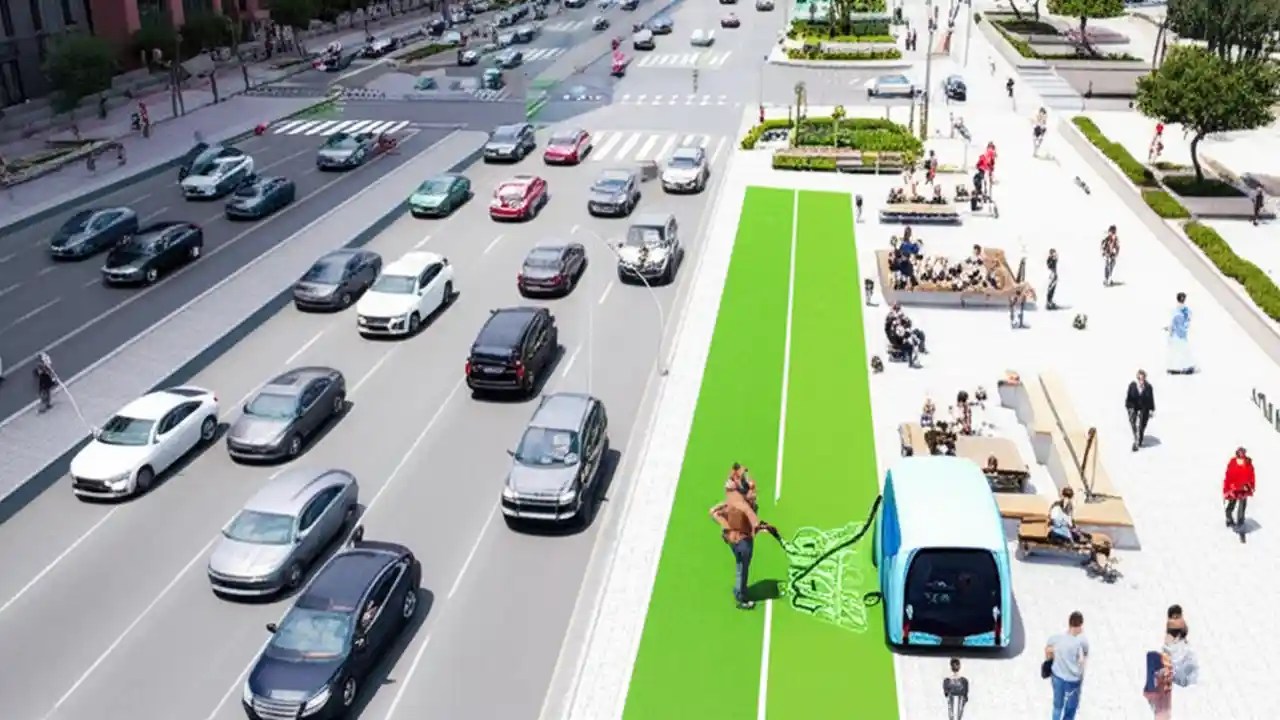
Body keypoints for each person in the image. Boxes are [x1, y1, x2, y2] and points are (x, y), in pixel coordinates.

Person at [709, 487, 764, 610]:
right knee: (742, 568)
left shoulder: (733, 507)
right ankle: (741, 597)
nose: (755, 494)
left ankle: (740, 590)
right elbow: (754, 524)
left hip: (734, 541)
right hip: (743, 542)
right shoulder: (747, 509)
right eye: (752, 492)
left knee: (741, 567)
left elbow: (713, 512)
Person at [1045, 611, 1089, 720]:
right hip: (1073, 680)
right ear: (1080, 626)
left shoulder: (1056, 639)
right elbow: (1083, 659)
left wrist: (1051, 659)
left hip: (1057, 676)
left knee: (1057, 706)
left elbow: (1048, 649)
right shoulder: (1081, 642)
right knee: (1071, 709)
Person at [1223, 446, 1255, 532]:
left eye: (1243, 452)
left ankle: (1240, 522)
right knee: (1231, 504)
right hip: (1233, 488)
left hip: (1244, 488)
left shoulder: (1248, 462)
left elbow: (1251, 475)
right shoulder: (1233, 462)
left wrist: (1251, 486)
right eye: (1239, 452)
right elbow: (1228, 475)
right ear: (1237, 452)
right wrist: (1226, 488)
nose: (1241, 454)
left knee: (1242, 505)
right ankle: (1229, 519)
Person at [1125, 370, 1155, 451]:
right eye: (1139, 379)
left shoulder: (1148, 387)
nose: (1141, 381)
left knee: (1142, 425)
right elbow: (1128, 398)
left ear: (1145, 378)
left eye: (1143, 379)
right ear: (1137, 378)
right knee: (1133, 422)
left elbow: (1151, 399)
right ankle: (1136, 439)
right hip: (1133, 407)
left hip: (1144, 408)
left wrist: (1152, 410)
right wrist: (1129, 407)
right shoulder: (1132, 386)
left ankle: (1139, 440)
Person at [1165, 292, 1195, 374]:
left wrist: (1170, 330)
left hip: (1177, 333)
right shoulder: (1186, 310)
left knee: (1177, 350)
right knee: (1182, 350)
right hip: (1181, 333)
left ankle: (1175, 367)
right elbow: (1188, 320)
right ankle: (1183, 367)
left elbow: (1172, 322)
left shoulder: (1176, 310)